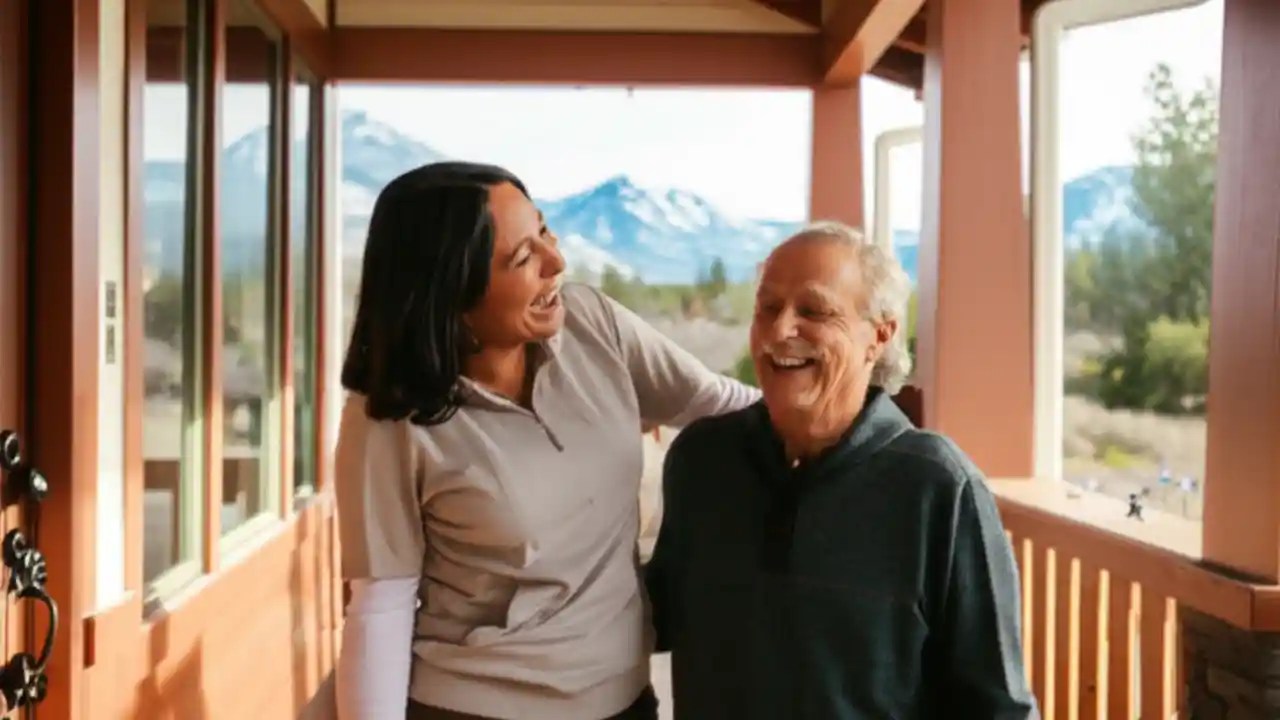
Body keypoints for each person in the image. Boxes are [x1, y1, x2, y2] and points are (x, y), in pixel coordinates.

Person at [333, 161, 758, 720]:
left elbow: (725, 406)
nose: (556, 262)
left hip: (626, 700)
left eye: (545, 233)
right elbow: (381, 608)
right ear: (451, 293)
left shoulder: (594, 325)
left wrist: (856, 420)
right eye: (522, 258)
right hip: (474, 707)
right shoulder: (388, 418)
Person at [645, 221, 1038, 719]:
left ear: (879, 334)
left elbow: (996, 706)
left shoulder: (938, 487)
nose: (780, 330)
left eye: (814, 311)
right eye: (768, 307)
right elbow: (651, 617)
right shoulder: (703, 459)